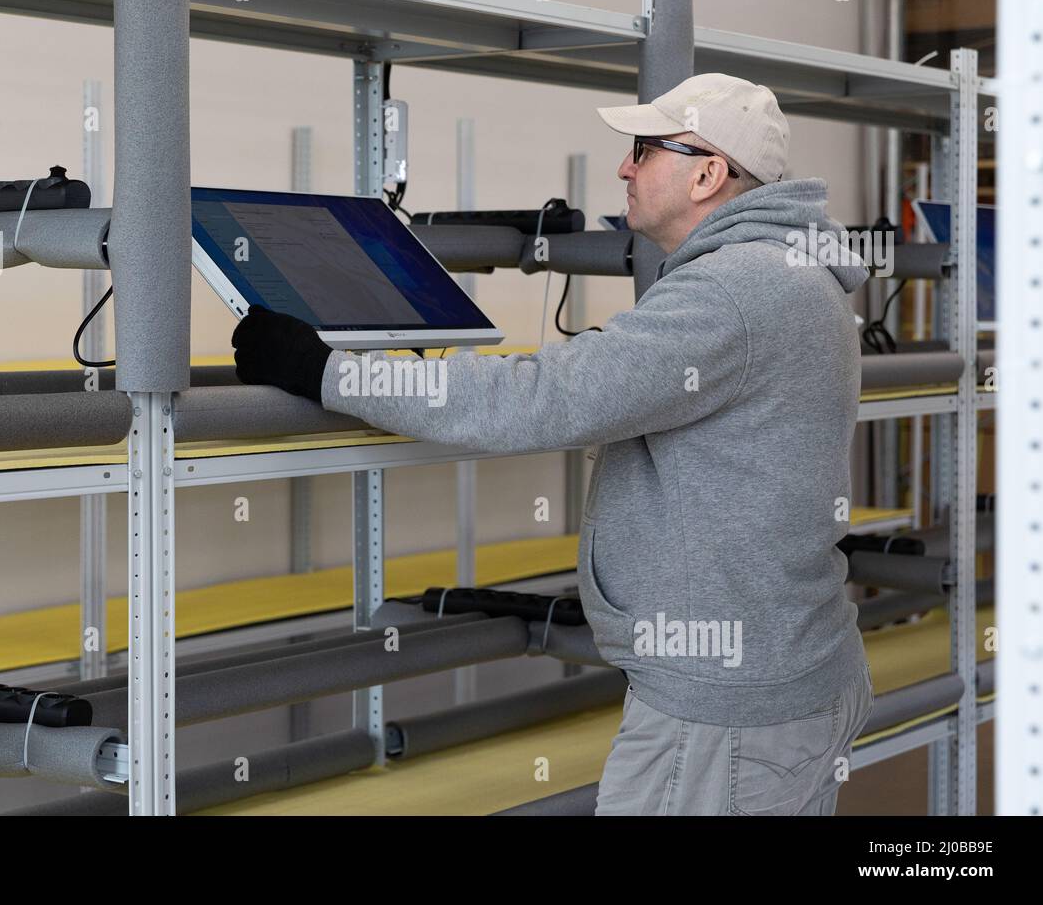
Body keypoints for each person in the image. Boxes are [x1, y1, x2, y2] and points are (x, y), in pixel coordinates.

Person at [231, 73, 874, 815]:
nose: (625, 168)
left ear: (708, 173)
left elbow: (545, 399)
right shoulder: (788, 276)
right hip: (780, 671)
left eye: (644, 150)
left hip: (725, 710)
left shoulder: (733, 289)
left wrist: (325, 372)